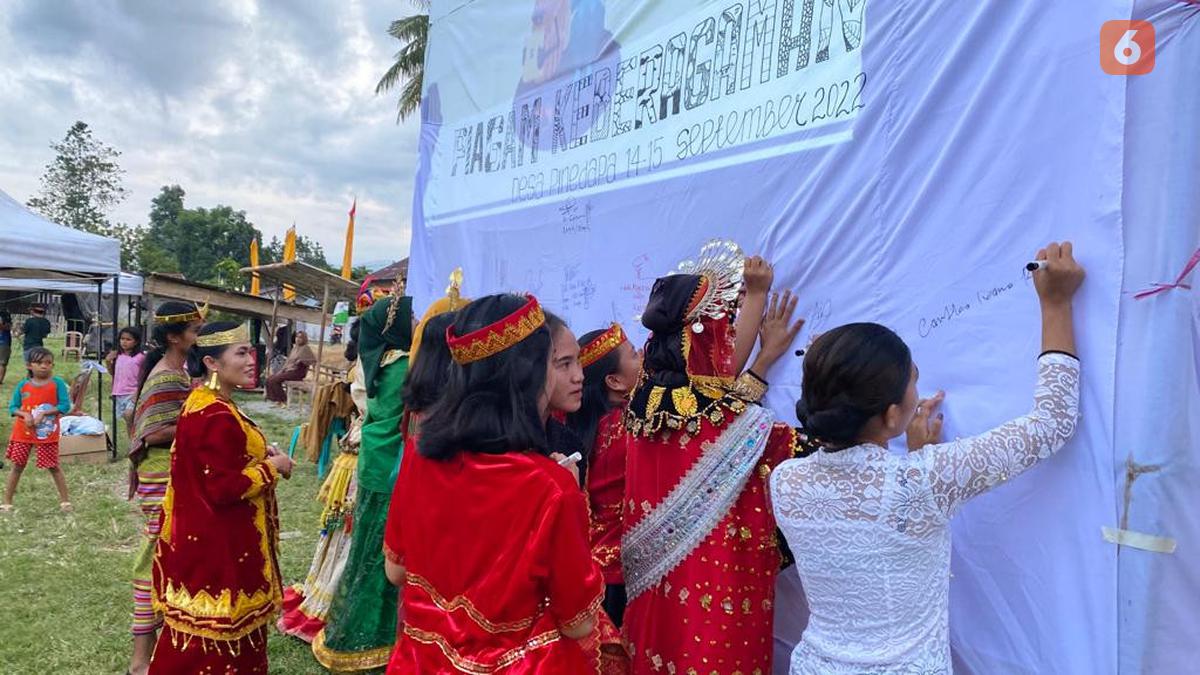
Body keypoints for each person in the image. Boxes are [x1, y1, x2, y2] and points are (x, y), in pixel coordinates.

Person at [770, 243, 1084, 674]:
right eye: (912, 381)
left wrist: (916, 455)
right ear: (892, 414)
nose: (917, 387)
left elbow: (869, 535)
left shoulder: (786, 480)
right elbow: (1053, 423)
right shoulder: (925, 481)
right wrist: (1056, 303)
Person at [383, 294, 605, 673]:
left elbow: (396, 572)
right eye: (558, 362)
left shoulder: (420, 454)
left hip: (421, 662)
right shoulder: (552, 487)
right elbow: (579, 622)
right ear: (534, 373)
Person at [622, 240, 809, 675]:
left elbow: (718, 393)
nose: (728, 335)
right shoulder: (728, 419)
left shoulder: (640, 406)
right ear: (705, 339)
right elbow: (799, 447)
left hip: (656, 602)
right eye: (725, 325)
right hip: (717, 605)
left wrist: (758, 310)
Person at [148, 322, 295, 673]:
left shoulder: (208, 401)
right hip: (220, 549)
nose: (251, 360)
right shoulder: (214, 413)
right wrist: (275, 467)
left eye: (252, 351)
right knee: (213, 646)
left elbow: (218, 466)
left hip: (211, 540)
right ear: (212, 363)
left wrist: (259, 457)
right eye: (241, 353)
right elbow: (223, 488)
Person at [313, 294, 414, 672]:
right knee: (388, 553)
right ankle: (377, 638)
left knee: (370, 550)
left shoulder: (377, 362)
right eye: (412, 317)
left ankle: (360, 632)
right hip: (392, 469)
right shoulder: (406, 365)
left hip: (373, 464)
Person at [125, 302, 203, 675]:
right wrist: (198, 419)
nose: (199, 338)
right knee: (153, 558)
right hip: (160, 475)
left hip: (166, 472)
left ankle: (159, 649)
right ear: (175, 337)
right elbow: (153, 433)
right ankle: (140, 660)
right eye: (194, 331)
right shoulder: (167, 376)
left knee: (168, 557)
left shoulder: (178, 369)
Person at [278, 321, 365, 643]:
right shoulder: (381, 366)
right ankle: (332, 597)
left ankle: (326, 589)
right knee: (346, 532)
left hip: (353, 454)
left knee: (340, 530)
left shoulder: (365, 362)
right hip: (363, 457)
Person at [565, 323, 641, 628]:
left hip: (594, 569)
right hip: (620, 577)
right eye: (634, 355)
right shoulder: (627, 428)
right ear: (615, 381)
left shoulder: (581, 425)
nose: (644, 357)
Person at [2, 347, 72, 512]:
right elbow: (13, 407)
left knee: (53, 466)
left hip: (46, 434)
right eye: (39, 363)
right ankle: (6, 501)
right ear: (29, 365)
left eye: (48, 363)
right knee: (17, 465)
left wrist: (45, 413)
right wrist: (24, 415)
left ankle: (65, 501)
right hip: (23, 433)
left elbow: (64, 405)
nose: (44, 366)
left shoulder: (57, 384)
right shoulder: (23, 386)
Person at [106, 327, 145, 438]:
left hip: (132, 393)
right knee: (128, 422)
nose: (124, 342)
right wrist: (108, 361)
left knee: (129, 415)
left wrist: (137, 392)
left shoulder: (140, 357)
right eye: (122, 339)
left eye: (128, 339)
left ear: (136, 341)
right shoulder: (118, 356)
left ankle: (137, 440)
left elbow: (144, 376)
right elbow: (113, 373)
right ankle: (133, 443)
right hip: (119, 393)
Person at [265, 330, 317, 405]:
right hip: (289, 370)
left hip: (297, 372)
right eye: (297, 337)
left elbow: (313, 360)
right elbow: (288, 361)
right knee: (270, 379)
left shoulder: (306, 348)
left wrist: (302, 360)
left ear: (304, 339)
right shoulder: (295, 348)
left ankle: (282, 400)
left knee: (275, 380)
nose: (298, 339)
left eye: (300, 337)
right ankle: (275, 399)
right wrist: (282, 370)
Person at [0, 308, 12, 385]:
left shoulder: (6, 324)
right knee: (2, 363)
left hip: (4, 343)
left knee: (2, 363)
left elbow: (7, 327)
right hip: (4, 343)